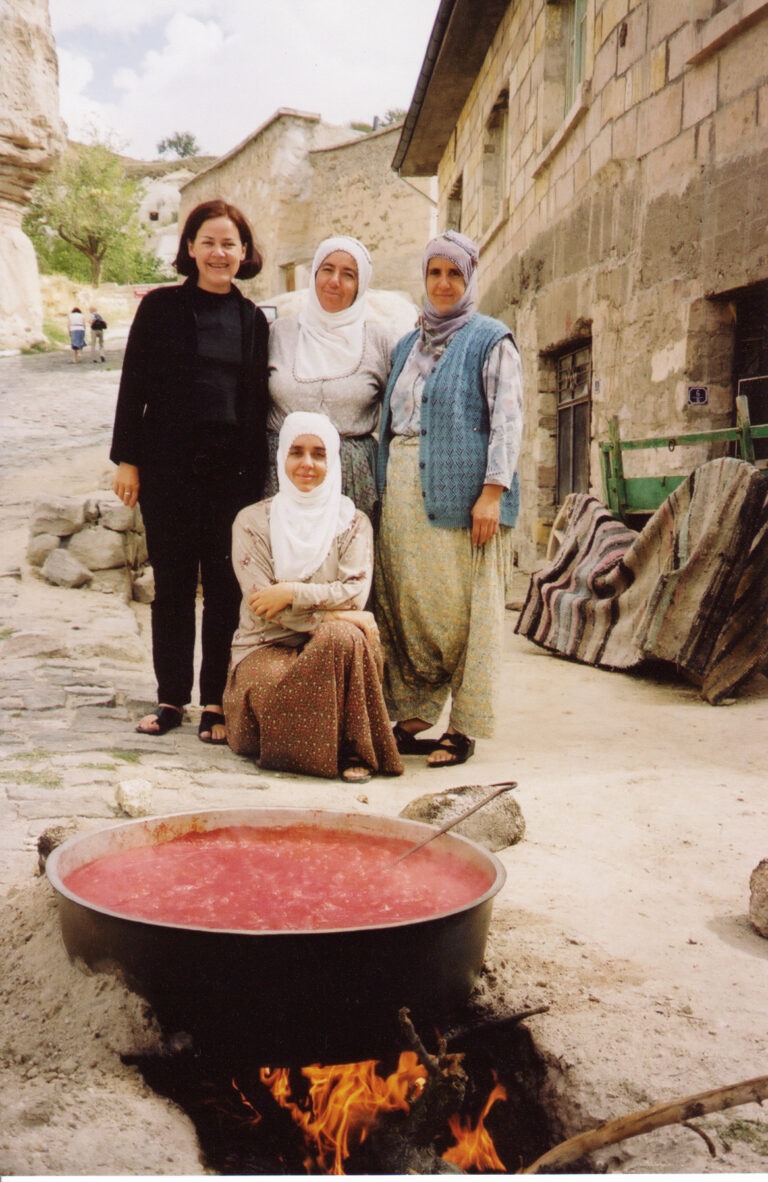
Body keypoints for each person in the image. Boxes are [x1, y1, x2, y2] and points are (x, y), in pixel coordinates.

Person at [110, 198, 270, 744]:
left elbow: (255, 402)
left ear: (244, 252)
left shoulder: (253, 320)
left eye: (230, 243)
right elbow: (133, 386)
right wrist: (128, 460)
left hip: (232, 475)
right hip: (169, 467)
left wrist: (258, 479)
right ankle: (171, 697)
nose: (219, 253)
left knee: (225, 590)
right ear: (190, 249)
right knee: (174, 586)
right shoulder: (159, 308)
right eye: (209, 242)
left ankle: (215, 703)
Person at [375, 230, 524, 768]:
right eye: (434, 272)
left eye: (454, 274)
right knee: (411, 608)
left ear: (469, 279)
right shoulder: (406, 344)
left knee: (467, 612)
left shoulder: (490, 339)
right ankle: (416, 709)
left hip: (466, 497)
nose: (443, 283)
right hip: (404, 495)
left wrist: (491, 492)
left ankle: (464, 723)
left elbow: (508, 419)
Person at [224, 411, 403, 784]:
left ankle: (348, 749)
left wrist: (292, 591)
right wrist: (336, 613)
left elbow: (354, 595)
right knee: (347, 632)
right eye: (297, 452)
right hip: (264, 647)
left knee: (344, 638)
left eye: (319, 454)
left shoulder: (352, 523)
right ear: (282, 458)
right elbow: (262, 605)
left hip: (336, 653)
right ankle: (340, 747)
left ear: (333, 460)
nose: (307, 464)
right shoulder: (252, 521)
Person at [265, 236, 391, 519]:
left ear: (361, 285)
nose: (335, 281)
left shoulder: (378, 340)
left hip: (354, 479)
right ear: (314, 274)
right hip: (283, 476)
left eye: (349, 275)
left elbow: (396, 417)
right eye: (327, 269)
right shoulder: (279, 334)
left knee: (347, 558)